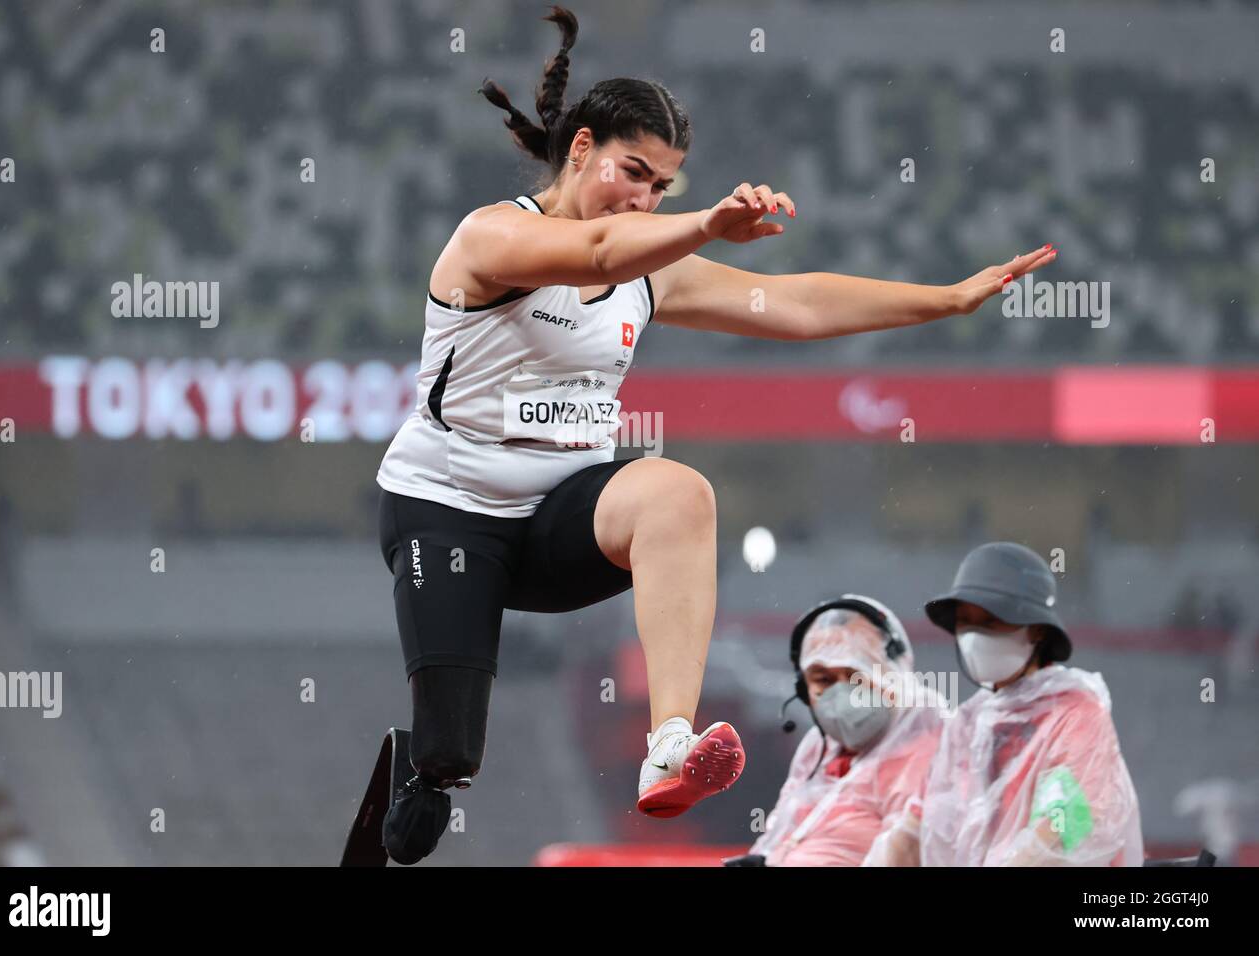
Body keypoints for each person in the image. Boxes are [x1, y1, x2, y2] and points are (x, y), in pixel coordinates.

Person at [374, 5, 1058, 865]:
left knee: (679, 493)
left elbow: (798, 304)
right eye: (633, 172)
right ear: (579, 149)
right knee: (447, 763)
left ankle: (669, 748)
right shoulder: (491, 236)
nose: (644, 197)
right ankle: (424, 776)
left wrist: (945, 298)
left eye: (663, 187)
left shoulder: (648, 268)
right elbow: (593, 254)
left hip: (559, 520)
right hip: (446, 512)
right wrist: (701, 225)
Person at [867, 542, 1144, 866]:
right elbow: (920, 826)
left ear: (1036, 630)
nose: (973, 637)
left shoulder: (1076, 715)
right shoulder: (968, 724)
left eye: (990, 621)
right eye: (965, 622)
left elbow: (1063, 829)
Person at [726, 596, 944, 867]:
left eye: (856, 676)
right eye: (824, 680)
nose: (842, 693)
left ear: (893, 673)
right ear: (804, 691)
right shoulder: (819, 747)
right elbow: (783, 831)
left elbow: (911, 852)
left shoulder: (927, 747)